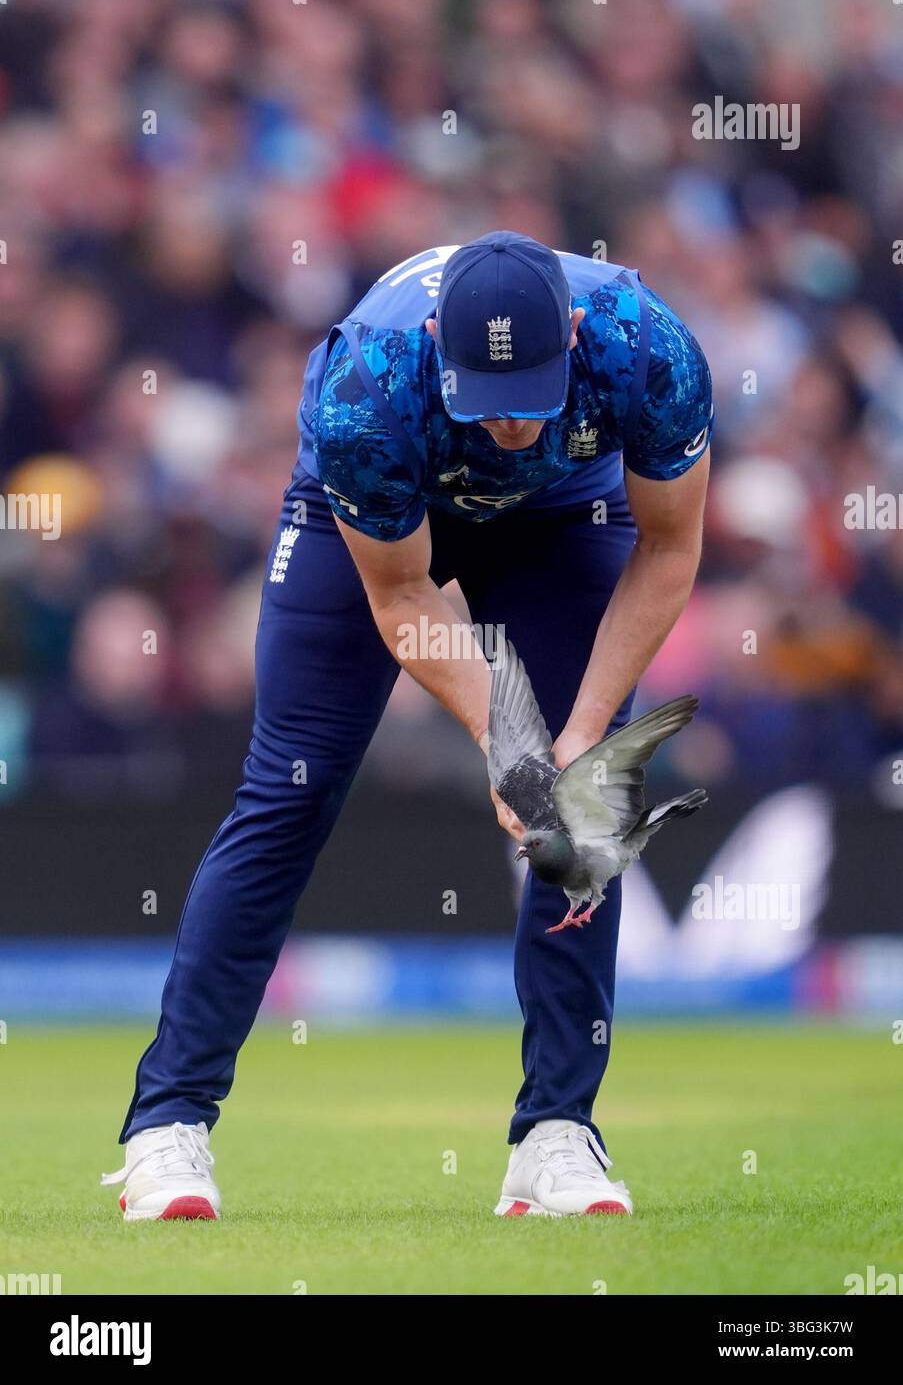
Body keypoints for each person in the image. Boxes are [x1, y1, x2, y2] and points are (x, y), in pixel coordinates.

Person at [103, 232, 712, 1220]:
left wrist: (581, 735)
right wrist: (508, 744)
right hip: (382, 527)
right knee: (287, 795)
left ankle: (557, 1130)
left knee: (581, 816)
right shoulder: (369, 383)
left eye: (535, 397)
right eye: (489, 400)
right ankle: (166, 1126)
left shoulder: (648, 348)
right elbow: (402, 596)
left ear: (571, 338)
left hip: (568, 520)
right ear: (437, 345)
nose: (512, 427)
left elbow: (673, 544)